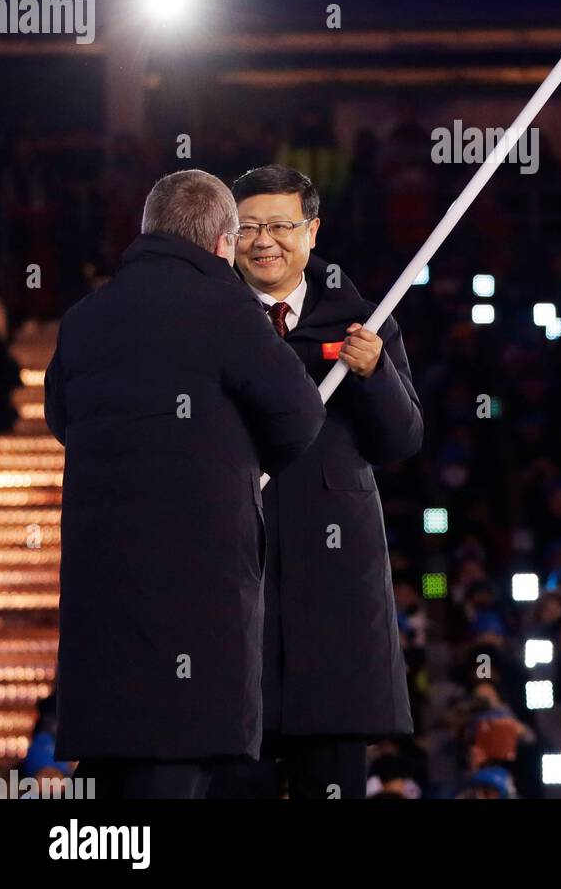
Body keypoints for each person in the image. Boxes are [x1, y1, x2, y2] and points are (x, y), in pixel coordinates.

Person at [44, 170, 325, 799]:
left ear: (146, 233)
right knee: (173, 775)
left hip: (99, 601)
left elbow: (62, 419)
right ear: (224, 244)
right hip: (197, 602)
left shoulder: (86, 316)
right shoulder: (228, 311)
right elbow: (302, 416)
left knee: (114, 796)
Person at [211, 163, 423, 800]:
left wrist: (376, 372)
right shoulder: (206, 322)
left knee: (330, 773)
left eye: (279, 224)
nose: (263, 240)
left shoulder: (362, 320)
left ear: (312, 232)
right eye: (247, 227)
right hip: (231, 583)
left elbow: (403, 440)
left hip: (334, 598)